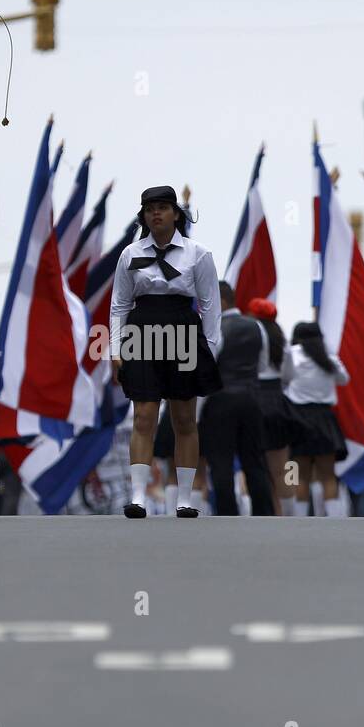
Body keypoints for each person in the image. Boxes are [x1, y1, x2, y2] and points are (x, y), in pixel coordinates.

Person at [111, 185, 222, 518]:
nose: (155, 213)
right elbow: (119, 304)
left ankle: (185, 498)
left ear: (176, 213)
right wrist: (116, 348)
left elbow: (210, 306)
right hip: (143, 328)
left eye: (162, 207)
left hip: (183, 330)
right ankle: (138, 497)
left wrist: (210, 351)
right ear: (143, 215)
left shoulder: (198, 253)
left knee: (184, 418)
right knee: (143, 416)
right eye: (149, 208)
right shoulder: (130, 254)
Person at [199, 282, 275, 516]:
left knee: (221, 461)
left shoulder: (215, 328)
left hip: (220, 401)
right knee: (254, 461)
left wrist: (197, 413)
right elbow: (262, 365)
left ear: (221, 301)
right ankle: (264, 513)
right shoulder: (257, 327)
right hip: (252, 399)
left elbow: (208, 365)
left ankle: (227, 513)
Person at [283, 321, 350, 516]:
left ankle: (298, 521)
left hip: (297, 418)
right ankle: (334, 520)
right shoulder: (329, 357)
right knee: (328, 475)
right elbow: (344, 379)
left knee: (298, 476)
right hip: (324, 418)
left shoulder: (292, 354)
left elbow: (283, 378)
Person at [245, 298, 299, 516]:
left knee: (256, 466)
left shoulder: (251, 338)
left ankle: (265, 512)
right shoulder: (281, 343)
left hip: (254, 399)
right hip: (277, 401)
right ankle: (288, 513)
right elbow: (289, 376)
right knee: (283, 467)